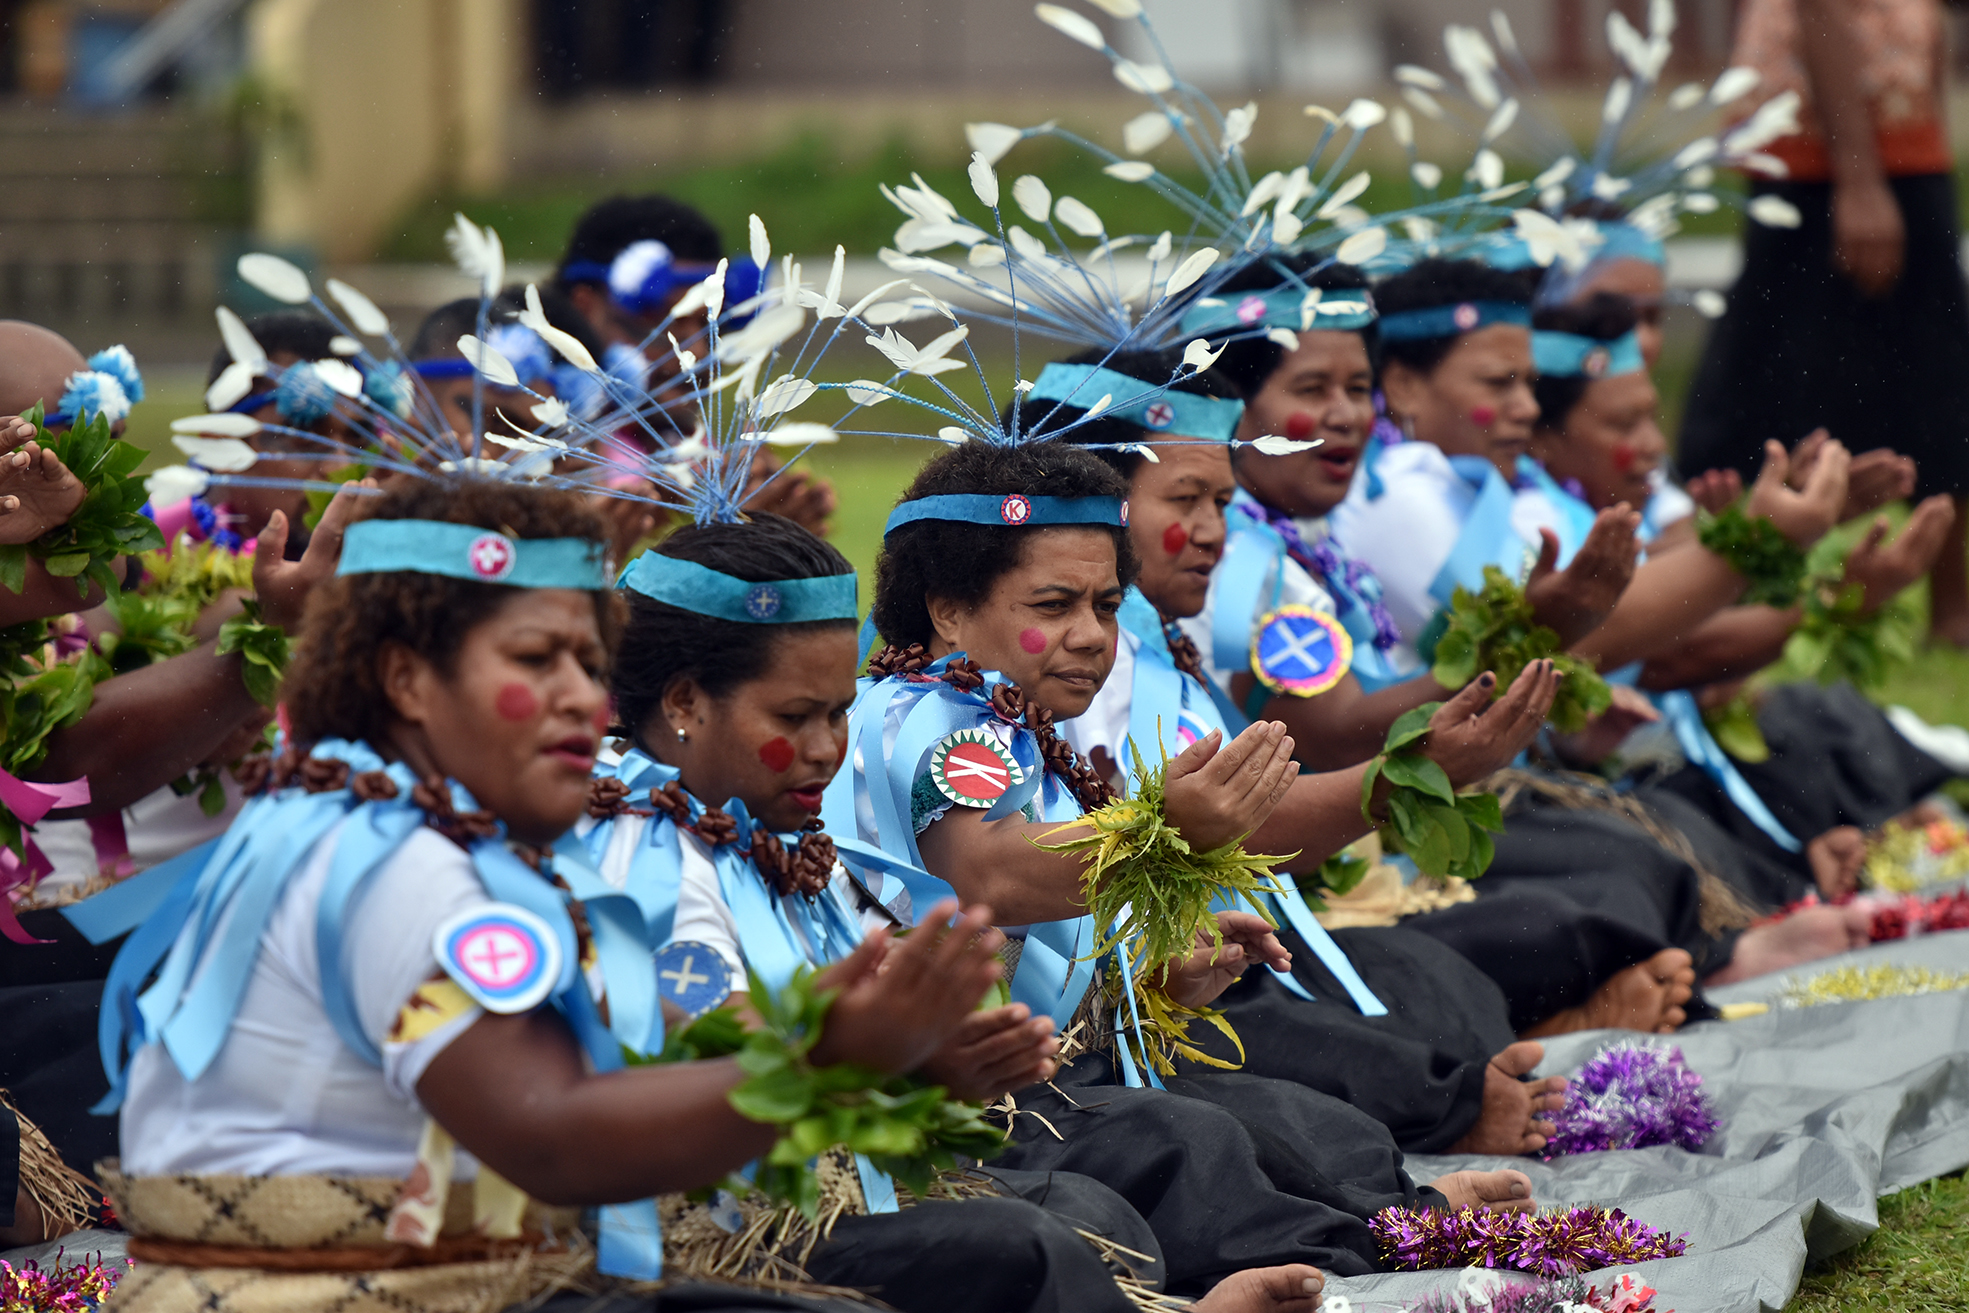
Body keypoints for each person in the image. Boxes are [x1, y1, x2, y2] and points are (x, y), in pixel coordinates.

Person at [96, 477, 1044, 1313]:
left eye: (589, 665)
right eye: (533, 659)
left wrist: (877, 1055)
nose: (579, 699)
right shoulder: (391, 860)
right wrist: (828, 1058)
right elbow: (554, 1138)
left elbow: (640, 1035)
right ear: (406, 679)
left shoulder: (409, 830)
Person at [827, 437, 1545, 1292]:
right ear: (946, 610)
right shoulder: (928, 716)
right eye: (1054, 604)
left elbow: (1043, 924)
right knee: (1184, 1141)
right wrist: (1163, 830)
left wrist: (1164, 965)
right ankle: (1377, 1242)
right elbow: (990, 874)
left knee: (1283, 1113)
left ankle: (1392, 1209)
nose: (1092, 636)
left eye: (1105, 603)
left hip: (1046, 1066)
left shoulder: (1011, 724)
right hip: (961, 1099)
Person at [582, 510, 1329, 1313]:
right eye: (794, 717)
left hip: (841, 1170)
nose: (828, 746)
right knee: (1033, 1236)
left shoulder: (765, 831)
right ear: (686, 700)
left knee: (1082, 1208)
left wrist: (1135, 984)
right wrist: (893, 1053)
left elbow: (890, 978)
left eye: (836, 712)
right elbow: (702, 1035)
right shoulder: (643, 854)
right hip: (724, 1223)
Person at [1527, 293, 1959, 921]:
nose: (1650, 444)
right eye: (1623, 427)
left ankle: (1889, 831)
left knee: (1817, 718)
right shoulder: (1531, 525)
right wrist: (1829, 591)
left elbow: (1696, 629)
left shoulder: (1617, 497)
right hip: (1610, 780)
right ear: (1542, 437)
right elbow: (1679, 657)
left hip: (1658, 753)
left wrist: (1788, 538)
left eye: (1651, 419)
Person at [1677, 0, 1969, 645]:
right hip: (1827, 143)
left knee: (1937, 368)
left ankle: (1952, 605)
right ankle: (1710, 594)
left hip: (1904, 127)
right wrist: (1860, 181)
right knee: (1774, 371)